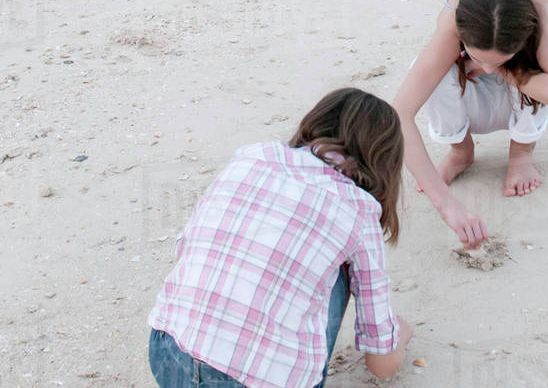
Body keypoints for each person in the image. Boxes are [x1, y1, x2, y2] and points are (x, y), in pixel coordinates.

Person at [148, 88, 414, 387]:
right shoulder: (359, 210)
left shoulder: (253, 155)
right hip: (261, 380)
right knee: (336, 269)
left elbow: (184, 249)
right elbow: (381, 364)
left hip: (169, 354)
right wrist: (400, 336)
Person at [393, 0, 548, 250]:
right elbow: (400, 114)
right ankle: (460, 152)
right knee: (430, 73)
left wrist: (504, 68)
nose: (489, 69)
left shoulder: (536, 9)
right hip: (470, 94)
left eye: (500, 59)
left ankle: (521, 153)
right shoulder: (453, 19)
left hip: (516, 95)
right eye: (479, 56)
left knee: (541, 68)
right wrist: (446, 205)